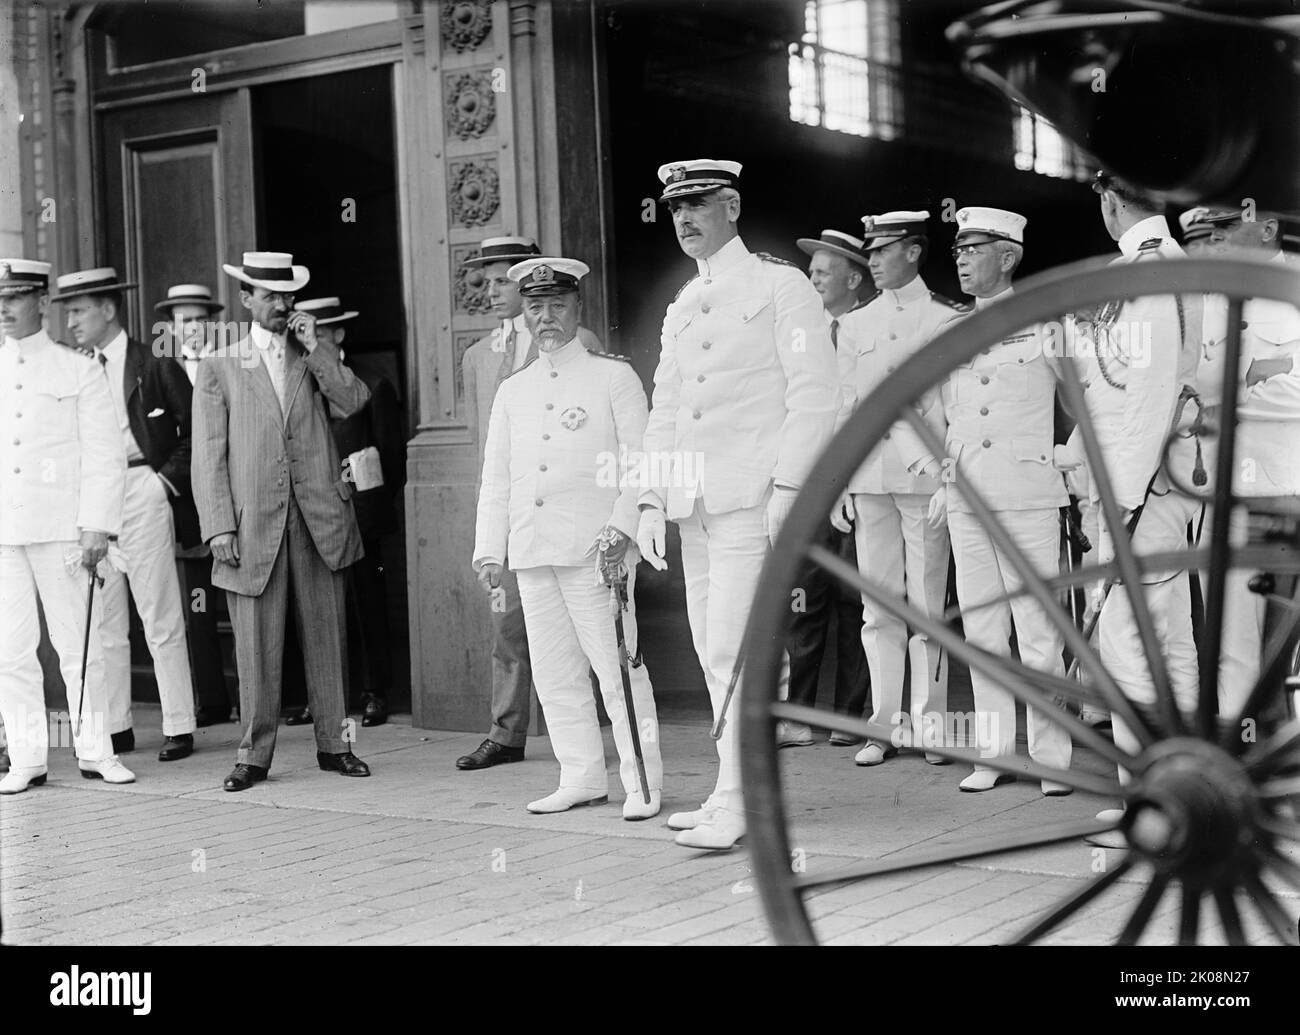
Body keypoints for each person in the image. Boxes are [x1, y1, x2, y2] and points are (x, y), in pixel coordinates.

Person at [635, 159, 840, 850]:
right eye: (674, 208)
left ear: (732, 204)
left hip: (754, 499)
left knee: (736, 647)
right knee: (711, 649)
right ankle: (732, 791)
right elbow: (666, 404)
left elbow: (815, 392)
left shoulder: (783, 287)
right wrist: (647, 501)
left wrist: (790, 488)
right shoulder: (684, 303)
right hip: (696, 504)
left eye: (697, 203)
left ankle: (744, 799)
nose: (685, 218)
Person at [472, 256, 663, 819]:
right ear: (525, 315)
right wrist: (490, 548)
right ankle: (580, 775)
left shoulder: (612, 376)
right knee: (555, 674)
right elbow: (498, 474)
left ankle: (643, 783)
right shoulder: (514, 390)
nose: (546, 317)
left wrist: (622, 527)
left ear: (578, 307)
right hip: (533, 550)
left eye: (557, 305)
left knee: (617, 669)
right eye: (536, 307)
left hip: (595, 550)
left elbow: (641, 462)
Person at [193, 251, 371, 791]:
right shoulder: (219, 364)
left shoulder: (311, 354)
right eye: (269, 296)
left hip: (318, 514)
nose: (281, 305)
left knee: (327, 634)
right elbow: (208, 454)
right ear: (246, 300)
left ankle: (336, 745)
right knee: (254, 641)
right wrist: (219, 525)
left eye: (286, 295)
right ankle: (253, 754)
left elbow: (354, 401)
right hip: (252, 522)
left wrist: (318, 349)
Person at [1065, 173, 1203, 847]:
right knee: (1169, 635)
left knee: (1129, 641)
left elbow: (1148, 394)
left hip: (1139, 492)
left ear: (1111, 200)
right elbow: (1107, 385)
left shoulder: (1149, 273)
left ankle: (1149, 801)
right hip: (1145, 486)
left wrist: (1120, 502)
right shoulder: (1148, 267)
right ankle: (1183, 790)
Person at [930, 207, 1073, 793]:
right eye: (959, 249)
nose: (961, 258)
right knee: (984, 628)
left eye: (974, 248)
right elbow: (944, 415)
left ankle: (1050, 755)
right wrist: (943, 476)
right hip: (968, 495)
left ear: (1008, 255)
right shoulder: (951, 329)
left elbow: (1089, 401)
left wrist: (1070, 460)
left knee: (1037, 627)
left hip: (1029, 493)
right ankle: (994, 752)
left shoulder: (1046, 324)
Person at [457, 236, 603, 771]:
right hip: (514, 520)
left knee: (587, 629)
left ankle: (595, 739)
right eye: (486, 282)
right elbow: (485, 452)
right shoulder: (476, 357)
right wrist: (488, 532)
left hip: (570, 513)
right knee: (506, 625)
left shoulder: (579, 341)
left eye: (501, 281)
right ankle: (506, 732)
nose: (490, 292)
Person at [833, 211, 967, 768]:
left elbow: (949, 405)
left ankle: (932, 724)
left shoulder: (944, 319)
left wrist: (947, 477)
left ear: (913, 251)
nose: (874, 261)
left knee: (927, 605)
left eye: (884, 250)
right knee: (877, 606)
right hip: (868, 477)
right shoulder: (855, 324)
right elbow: (845, 404)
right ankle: (883, 724)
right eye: (872, 250)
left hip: (921, 476)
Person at [54, 268, 200, 763]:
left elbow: (196, 431)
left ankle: (179, 723)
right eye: (67, 311)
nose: (70, 320)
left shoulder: (152, 364)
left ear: (109, 310)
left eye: (79, 310)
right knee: (106, 619)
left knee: (158, 612)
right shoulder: (73, 368)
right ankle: (117, 727)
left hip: (143, 486)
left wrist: (162, 484)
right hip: (96, 498)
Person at [0, 258, 133, 793]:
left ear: (40, 300)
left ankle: (96, 751)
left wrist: (96, 525)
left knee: (80, 645)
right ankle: (28, 756)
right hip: (5, 531)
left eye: (14, 297)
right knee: (11, 649)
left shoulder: (78, 369)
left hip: (62, 531)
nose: (4, 308)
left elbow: (105, 455)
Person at [290, 295, 404, 728]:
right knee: (313, 609)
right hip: (310, 512)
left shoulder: (372, 382)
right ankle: (321, 698)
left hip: (358, 513)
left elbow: (389, 458)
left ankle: (375, 692)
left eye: (317, 333)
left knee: (365, 604)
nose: (309, 341)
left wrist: (367, 506)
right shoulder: (297, 383)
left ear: (338, 334)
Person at [778, 228, 872, 748]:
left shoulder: (868, 328)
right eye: (811, 266)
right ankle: (796, 716)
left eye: (824, 267)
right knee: (801, 602)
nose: (812, 274)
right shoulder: (798, 330)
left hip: (856, 485)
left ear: (853, 278)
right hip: (805, 483)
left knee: (856, 602)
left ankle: (851, 715)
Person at [155, 283, 234, 727]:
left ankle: (259, 700)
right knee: (198, 609)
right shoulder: (162, 372)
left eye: (202, 319)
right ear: (171, 327)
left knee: (245, 603)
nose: (194, 328)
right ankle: (213, 701)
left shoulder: (232, 364)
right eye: (185, 320)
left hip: (231, 502)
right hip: (188, 511)